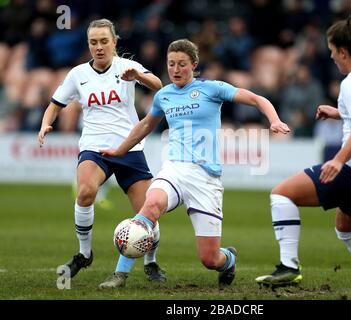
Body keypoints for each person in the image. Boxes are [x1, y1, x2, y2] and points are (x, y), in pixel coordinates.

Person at [99, 39, 290, 288]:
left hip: (205, 179)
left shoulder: (212, 89)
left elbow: (256, 99)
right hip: (175, 169)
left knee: (210, 259)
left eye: (182, 64)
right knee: (150, 206)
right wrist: (120, 150)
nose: (176, 69)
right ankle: (120, 274)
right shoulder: (164, 95)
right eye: (171, 64)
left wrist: (273, 120)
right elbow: (146, 125)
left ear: (194, 65)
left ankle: (228, 259)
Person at [255, 14, 351, 300]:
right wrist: (339, 113)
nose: (332, 57)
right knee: (347, 231)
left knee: (281, 194)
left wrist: (338, 160)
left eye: (333, 51)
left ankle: (288, 266)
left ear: (344, 52)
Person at [38, 19, 166, 283]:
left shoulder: (126, 66)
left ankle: (151, 262)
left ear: (114, 42)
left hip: (129, 147)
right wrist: (44, 124)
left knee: (148, 211)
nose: (99, 47)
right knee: (85, 192)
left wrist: (139, 76)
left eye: (104, 41)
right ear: (88, 44)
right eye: (93, 42)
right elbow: (55, 103)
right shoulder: (77, 74)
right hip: (94, 147)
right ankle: (84, 254)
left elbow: (158, 85)